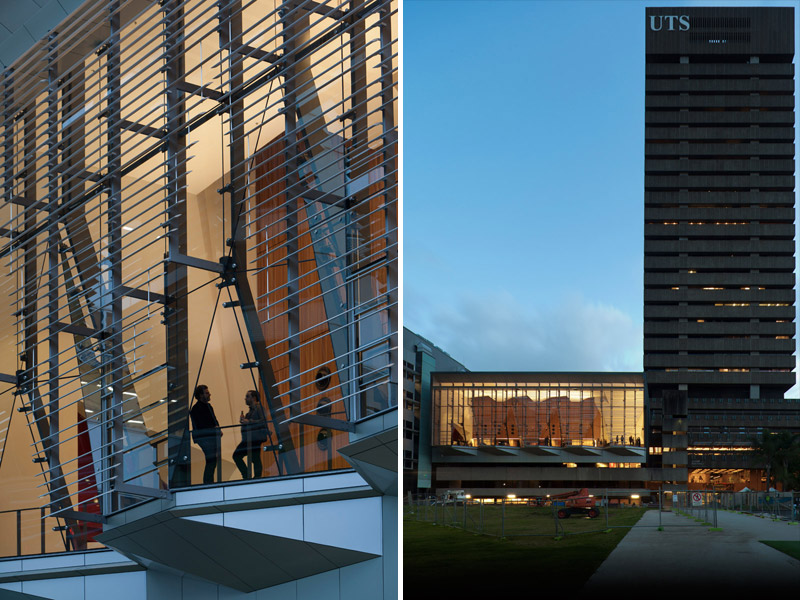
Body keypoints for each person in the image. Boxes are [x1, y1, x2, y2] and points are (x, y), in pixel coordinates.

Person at [190, 384, 222, 484]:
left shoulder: (207, 406)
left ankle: (209, 482)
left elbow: (214, 420)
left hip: (209, 436)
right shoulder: (196, 409)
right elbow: (202, 424)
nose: (209, 394)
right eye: (207, 393)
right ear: (200, 395)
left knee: (212, 460)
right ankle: (208, 482)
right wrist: (215, 428)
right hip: (204, 437)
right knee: (211, 460)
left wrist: (217, 427)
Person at [232, 390, 267, 479]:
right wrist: (245, 422)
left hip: (254, 438)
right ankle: (254, 476)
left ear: (254, 398)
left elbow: (264, 421)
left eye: (247, 396)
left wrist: (249, 421)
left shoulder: (259, 408)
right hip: (250, 439)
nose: (245, 398)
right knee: (255, 458)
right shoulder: (249, 412)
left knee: (239, 456)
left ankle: (250, 475)